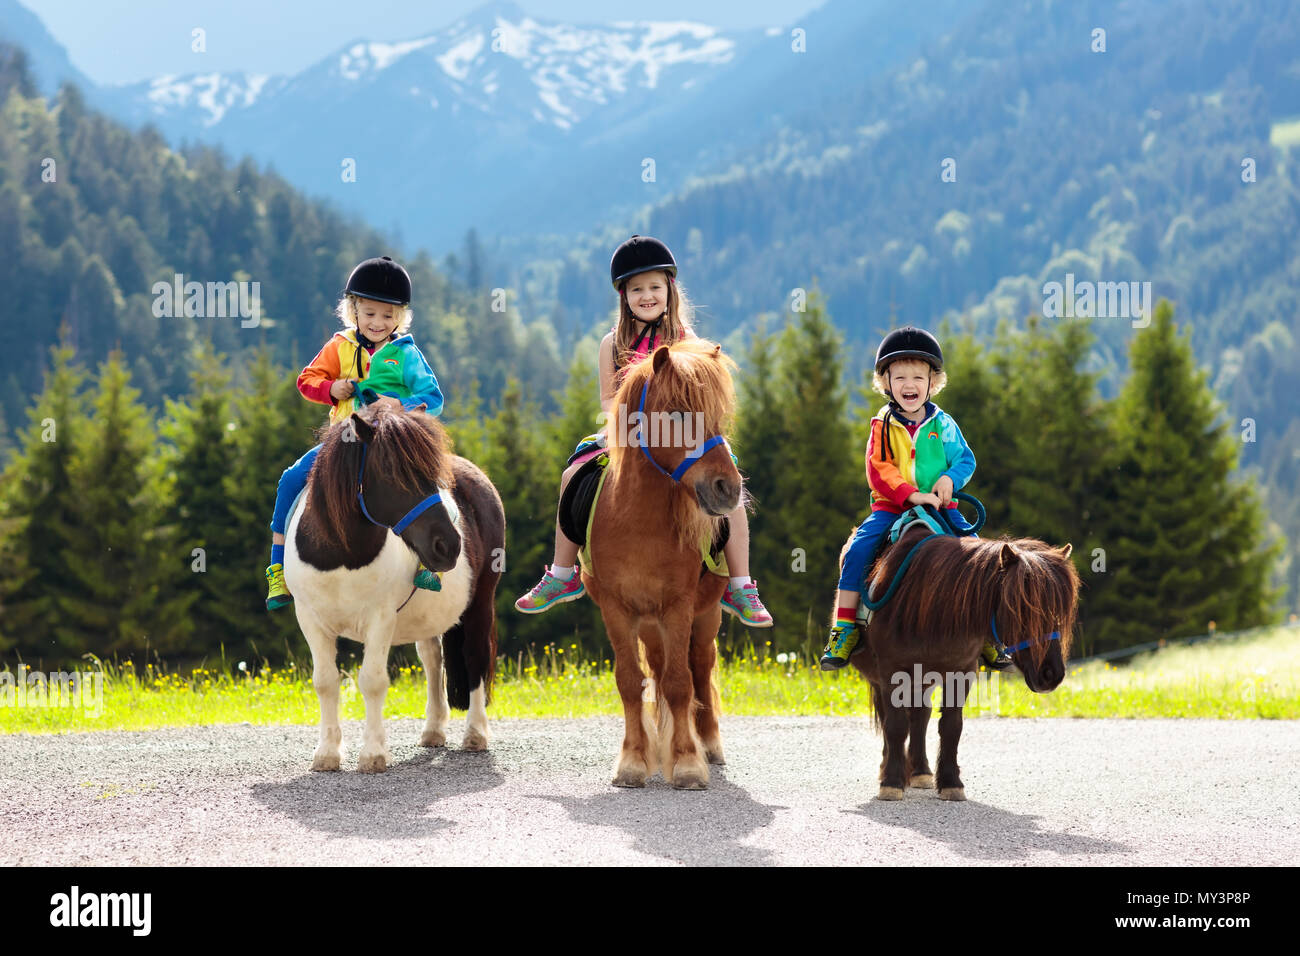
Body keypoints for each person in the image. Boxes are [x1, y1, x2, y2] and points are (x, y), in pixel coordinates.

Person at [513, 235, 773, 626]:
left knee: (730, 485)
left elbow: (701, 402)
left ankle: (740, 584)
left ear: (669, 290)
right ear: (624, 296)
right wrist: (627, 429)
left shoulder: (688, 342)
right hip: (628, 433)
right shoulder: (612, 343)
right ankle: (562, 574)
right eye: (637, 289)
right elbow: (607, 399)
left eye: (654, 287)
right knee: (572, 475)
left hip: (685, 436)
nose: (646, 296)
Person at [819, 326, 1012, 670]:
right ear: (886, 382)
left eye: (918, 377)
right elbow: (878, 467)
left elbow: (965, 459)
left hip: (942, 508)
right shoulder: (882, 424)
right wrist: (911, 495)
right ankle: (845, 627)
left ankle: (989, 634)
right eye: (901, 377)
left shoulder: (945, 424)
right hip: (891, 508)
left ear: (932, 383)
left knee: (979, 556)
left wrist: (949, 480)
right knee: (858, 550)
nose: (910, 385)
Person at [265, 255, 445, 610]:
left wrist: (398, 405)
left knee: (430, 486)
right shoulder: (339, 346)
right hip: (342, 442)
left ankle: (428, 562)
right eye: (370, 313)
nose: (378, 322)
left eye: (388, 315)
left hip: (392, 443)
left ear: (400, 318)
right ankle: (277, 567)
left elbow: (434, 399)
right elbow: (306, 381)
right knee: (290, 479)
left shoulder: (406, 354)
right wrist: (331, 390)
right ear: (354, 311)